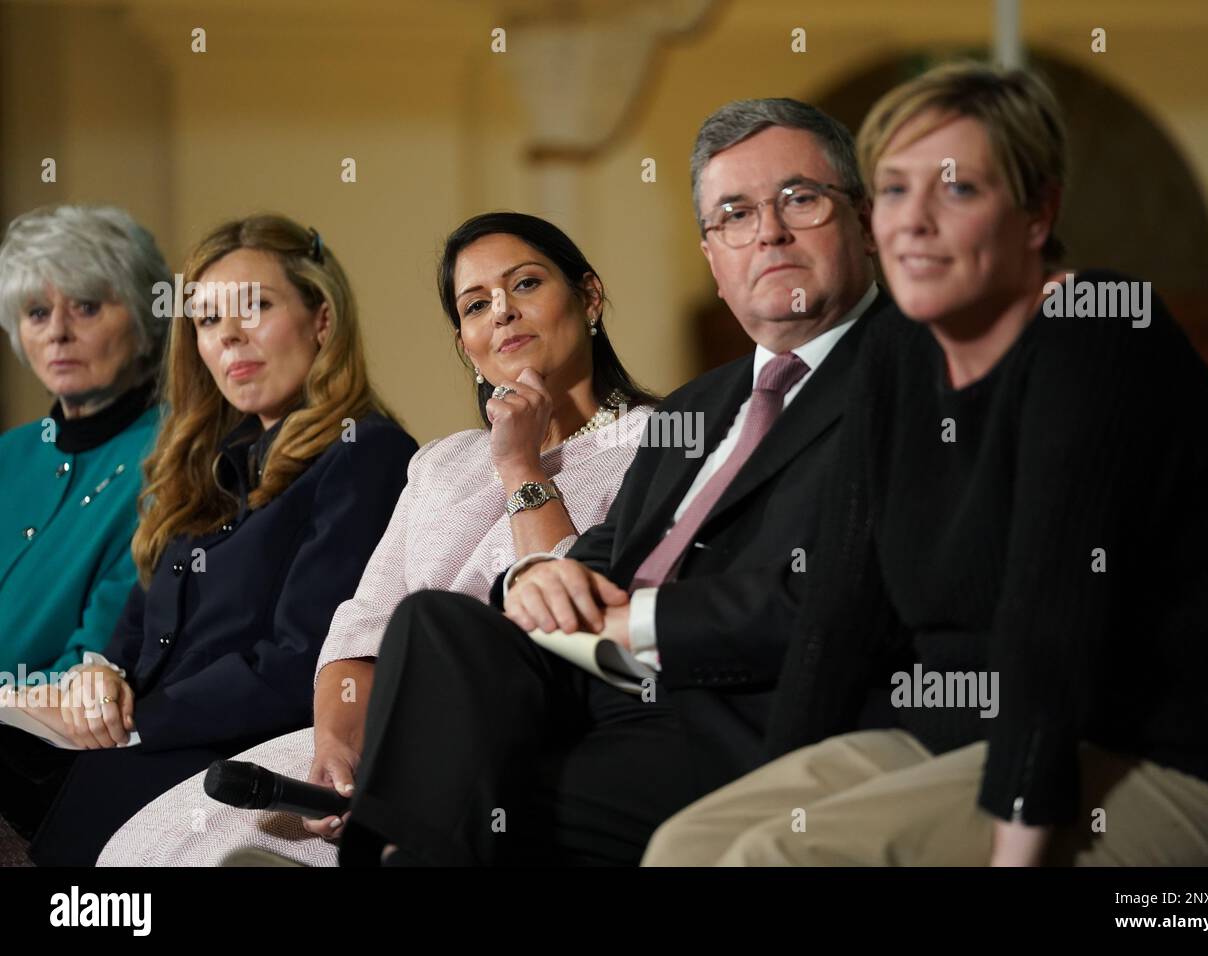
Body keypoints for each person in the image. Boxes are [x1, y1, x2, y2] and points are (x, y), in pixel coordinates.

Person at [643, 62, 1208, 867]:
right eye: (893, 190)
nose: (914, 222)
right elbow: (839, 624)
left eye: (957, 191)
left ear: (1036, 213)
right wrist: (782, 794)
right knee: (688, 848)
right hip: (958, 744)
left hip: (1187, 759)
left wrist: (1011, 858)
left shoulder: (1095, 331)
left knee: (774, 864)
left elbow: (1049, 626)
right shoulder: (893, 355)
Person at [334, 98, 896, 866]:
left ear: (863, 221)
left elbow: (847, 591)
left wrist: (635, 622)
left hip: (735, 710)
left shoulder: (913, 376)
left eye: (798, 199)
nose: (767, 231)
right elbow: (610, 550)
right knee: (438, 623)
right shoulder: (703, 404)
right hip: (596, 686)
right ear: (712, 257)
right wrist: (535, 583)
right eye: (734, 213)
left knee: (477, 803)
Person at [97, 212, 656, 866]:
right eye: (476, 304)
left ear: (588, 297)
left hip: (520, 745)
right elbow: (363, 623)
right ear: (465, 344)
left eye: (525, 284)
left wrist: (521, 463)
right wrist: (333, 749)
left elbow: (575, 620)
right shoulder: (441, 462)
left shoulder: (653, 445)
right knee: (146, 851)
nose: (501, 313)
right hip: (373, 731)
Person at [0, 214, 417, 865]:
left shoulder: (366, 452)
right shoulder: (208, 460)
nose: (230, 337)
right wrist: (105, 674)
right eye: (207, 320)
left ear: (322, 320)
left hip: (224, 756)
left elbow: (299, 659)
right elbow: (138, 618)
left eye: (254, 308)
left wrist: (134, 721)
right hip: (127, 749)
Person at [0, 205, 169, 682]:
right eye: (36, 313)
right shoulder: (10, 454)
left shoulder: (178, 450)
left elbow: (102, 652)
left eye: (87, 307)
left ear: (144, 322)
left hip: (51, 737)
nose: (57, 332)